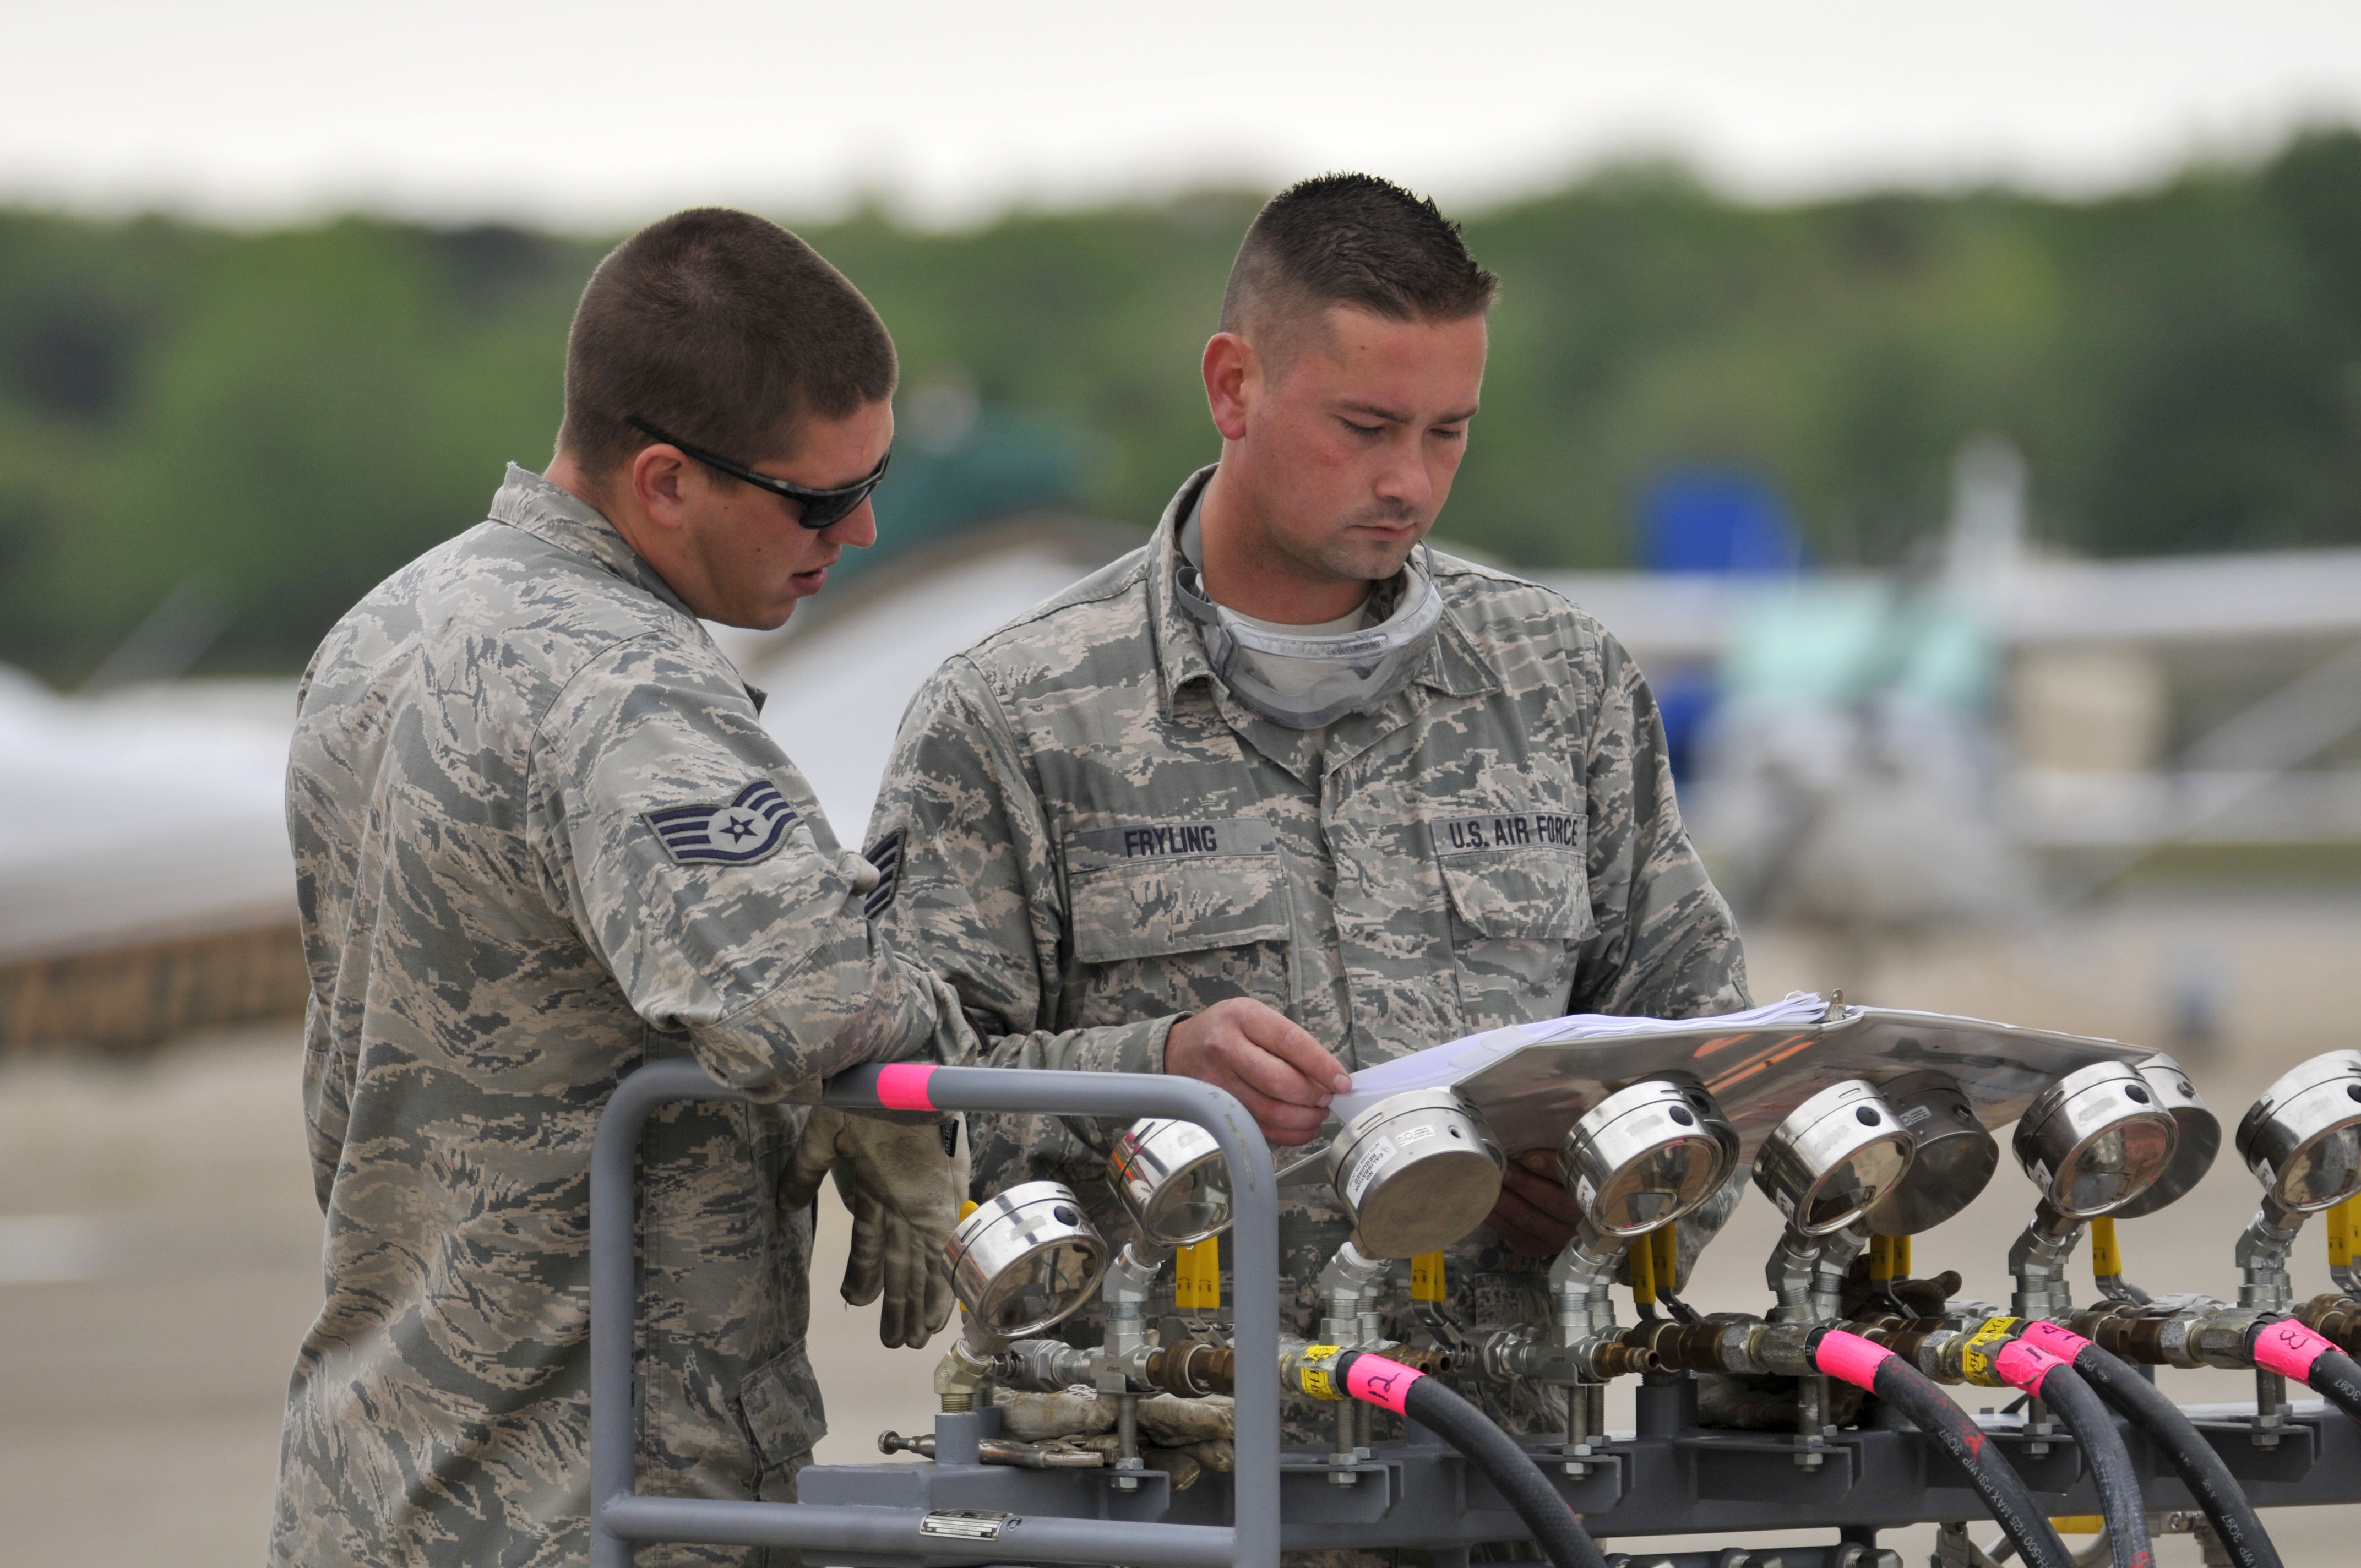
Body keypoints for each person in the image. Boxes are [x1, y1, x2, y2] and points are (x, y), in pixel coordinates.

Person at [866, 174, 1750, 1433]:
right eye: (1366, 424)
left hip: (1494, 1470)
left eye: (1446, 431)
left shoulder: (1559, 686)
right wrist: (1153, 1068)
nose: (1408, 479)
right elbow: (900, 1104)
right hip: (1161, 1477)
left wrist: (1621, 1179)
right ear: (1233, 385)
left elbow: (1711, 1034)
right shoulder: (1016, 715)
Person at [273, 208, 970, 1568]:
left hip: (382, 1476)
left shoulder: (387, 623)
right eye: (820, 498)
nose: (864, 528)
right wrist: (923, 1041)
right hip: (593, 1496)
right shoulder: (621, 681)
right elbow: (811, 1006)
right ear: (664, 481)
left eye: (873, 477)